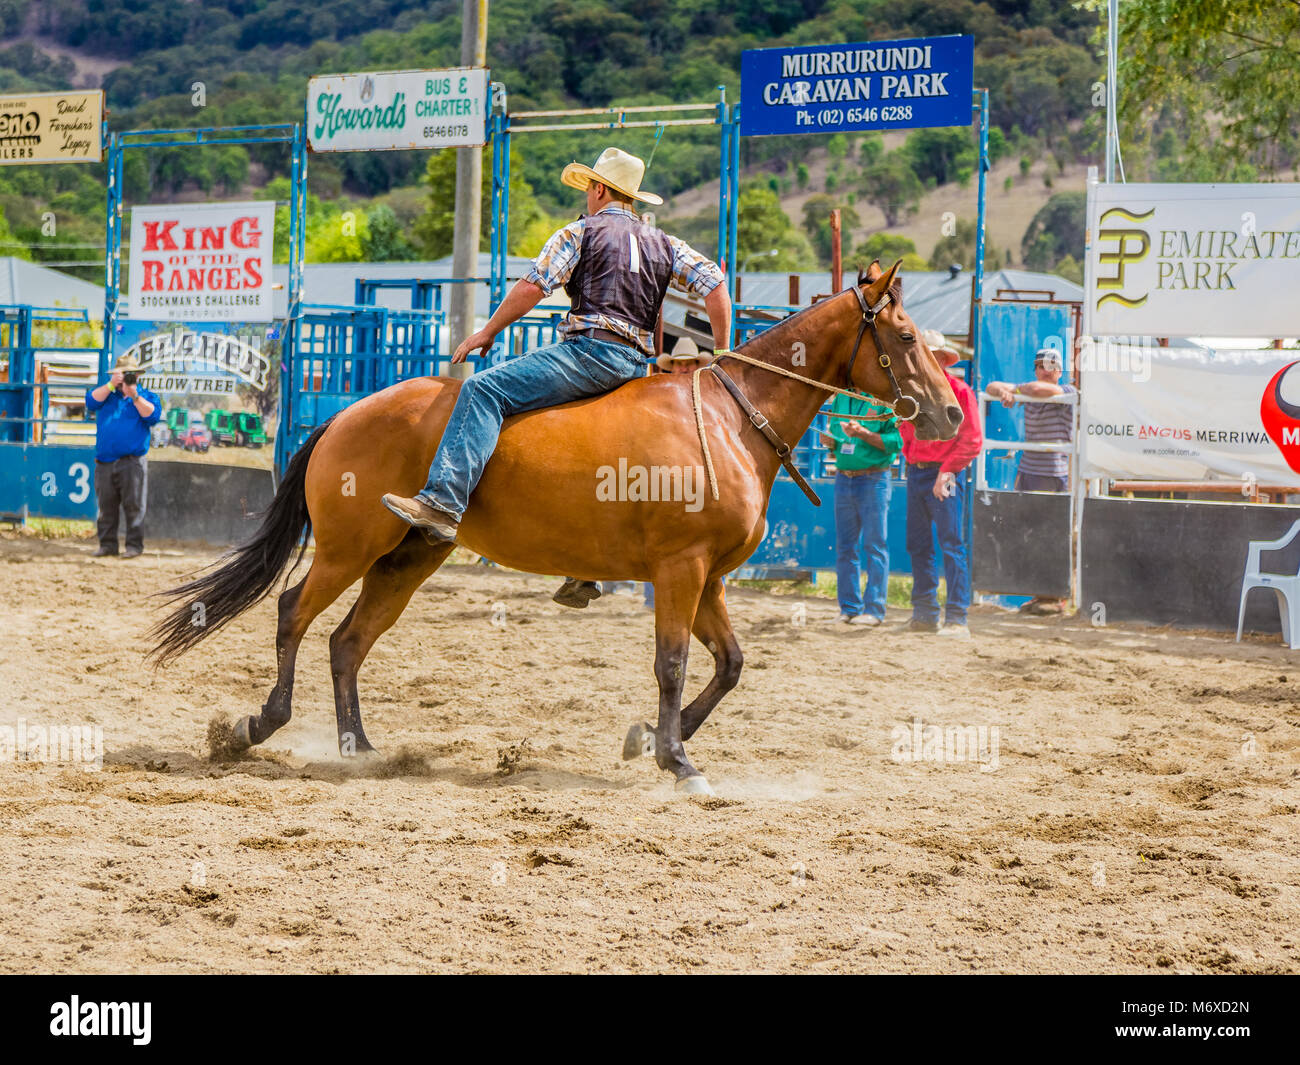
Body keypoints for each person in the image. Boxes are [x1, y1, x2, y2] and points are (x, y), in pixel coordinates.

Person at [381, 147, 731, 544]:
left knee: (483, 389)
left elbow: (533, 286)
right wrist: (720, 353)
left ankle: (443, 501)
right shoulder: (668, 244)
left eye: (589, 187)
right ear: (631, 198)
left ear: (599, 190)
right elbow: (716, 286)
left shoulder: (580, 232)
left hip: (589, 355)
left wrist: (488, 330)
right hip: (637, 368)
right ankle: (584, 568)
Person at [555, 335, 709, 609]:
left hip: (673, 478)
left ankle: (620, 586)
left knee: (669, 538)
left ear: (696, 366)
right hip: (650, 472)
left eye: (689, 364)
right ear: (671, 366)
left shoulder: (698, 399)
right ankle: (600, 577)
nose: (684, 368)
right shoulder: (661, 394)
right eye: (680, 364)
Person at [899, 330, 983, 638]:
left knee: (950, 544)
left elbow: (973, 439)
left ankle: (956, 617)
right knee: (920, 544)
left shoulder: (959, 391)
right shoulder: (915, 396)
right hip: (919, 472)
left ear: (942, 359)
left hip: (941, 474)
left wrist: (946, 471)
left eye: (931, 355)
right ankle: (926, 613)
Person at [985, 347, 1076, 615]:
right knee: (1030, 533)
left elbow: (1038, 391)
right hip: (1029, 470)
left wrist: (1014, 390)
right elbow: (990, 386)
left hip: (1051, 472)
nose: (1046, 370)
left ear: (1059, 371)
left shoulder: (1068, 391)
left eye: (1051, 366)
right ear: (1036, 369)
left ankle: (1053, 596)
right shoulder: (1031, 390)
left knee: (1049, 533)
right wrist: (1007, 391)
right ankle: (1041, 594)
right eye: (1041, 366)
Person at [819, 392, 900, 625]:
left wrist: (863, 433)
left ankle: (874, 610)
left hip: (873, 478)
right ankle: (850, 608)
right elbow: (838, 441)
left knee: (874, 545)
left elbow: (896, 442)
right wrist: (832, 444)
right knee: (846, 547)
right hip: (845, 478)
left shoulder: (883, 401)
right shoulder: (840, 401)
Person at [84, 354, 162, 558]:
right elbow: (90, 402)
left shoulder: (147, 396)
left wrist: (134, 395)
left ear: (137, 375)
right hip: (105, 461)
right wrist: (111, 384)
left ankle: (134, 547)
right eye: (122, 374)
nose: (125, 378)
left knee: (134, 506)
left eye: (129, 374)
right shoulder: (108, 394)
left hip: (132, 462)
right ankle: (107, 545)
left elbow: (153, 416)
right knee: (105, 507)